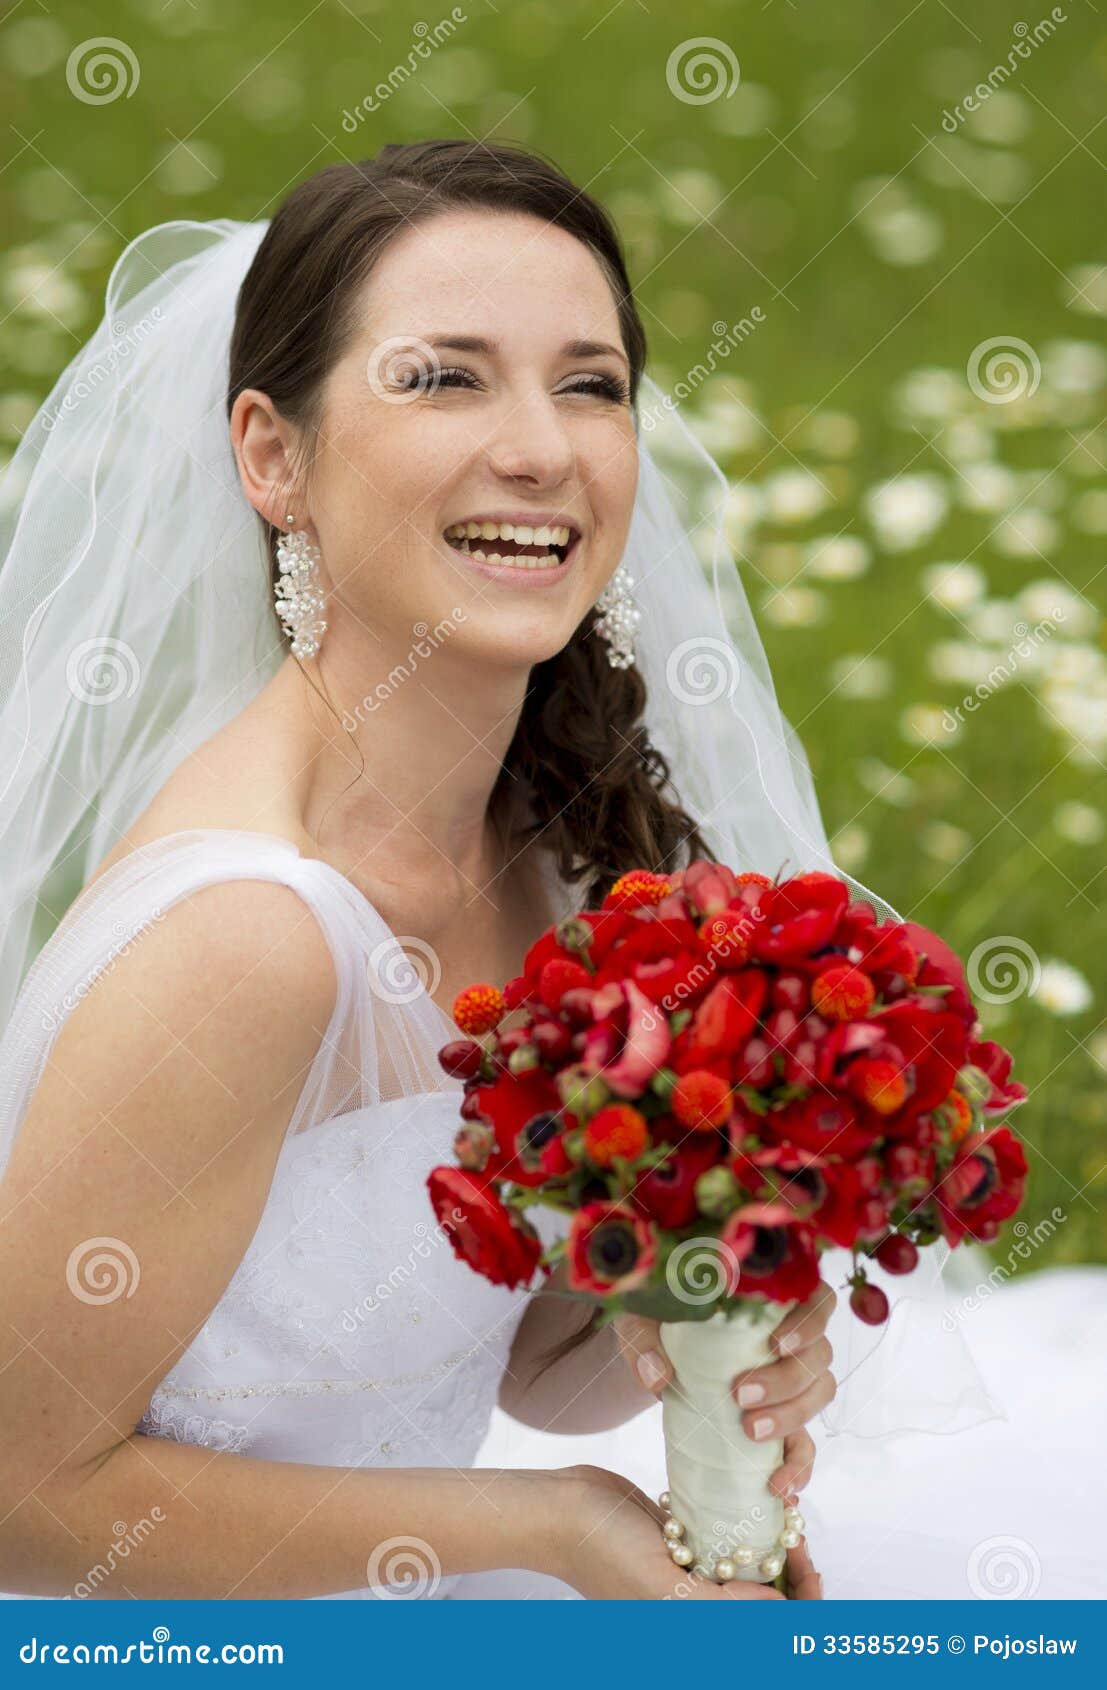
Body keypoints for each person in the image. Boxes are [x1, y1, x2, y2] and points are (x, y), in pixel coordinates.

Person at [0, 139, 899, 1601]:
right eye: (445, 377)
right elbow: (19, 1497)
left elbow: (530, 1364)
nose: (541, 445)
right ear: (270, 454)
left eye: (590, 382)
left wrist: (696, 1298)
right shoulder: (249, 935)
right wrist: (543, 1530)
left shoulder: (543, 856)